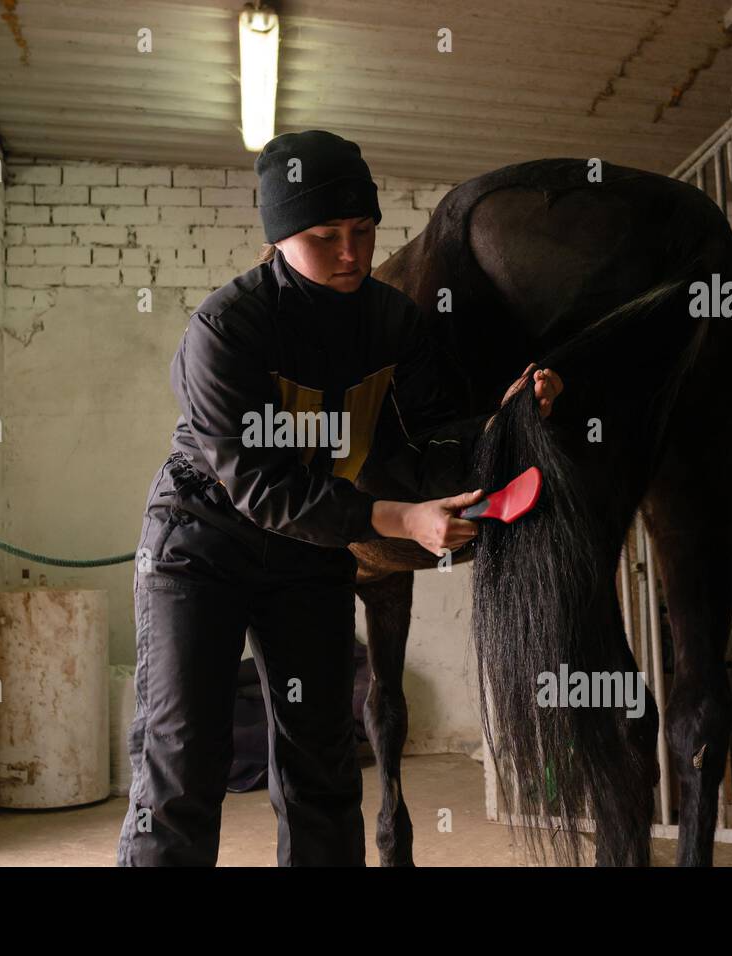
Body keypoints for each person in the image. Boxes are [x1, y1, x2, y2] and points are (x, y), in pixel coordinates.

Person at [116, 130, 561, 866]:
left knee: (322, 763)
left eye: (364, 230)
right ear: (281, 235)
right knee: (182, 764)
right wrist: (396, 520)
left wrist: (506, 418)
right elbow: (261, 485)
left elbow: (427, 441)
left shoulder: (392, 323)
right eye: (327, 237)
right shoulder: (227, 329)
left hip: (311, 550)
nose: (352, 252)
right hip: (200, 543)